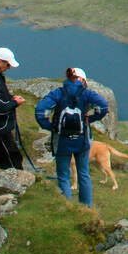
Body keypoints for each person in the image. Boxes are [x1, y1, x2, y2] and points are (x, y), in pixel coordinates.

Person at [35, 67, 109, 208]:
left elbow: (41, 110)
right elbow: (103, 106)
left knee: (63, 175)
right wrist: (91, 118)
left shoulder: (58, 93)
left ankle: (68, 208)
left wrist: (49, 126)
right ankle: (86, 207)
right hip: (82, 140)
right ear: (82, 81)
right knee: (83, 173)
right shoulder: (87, 94)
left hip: (62, 140)